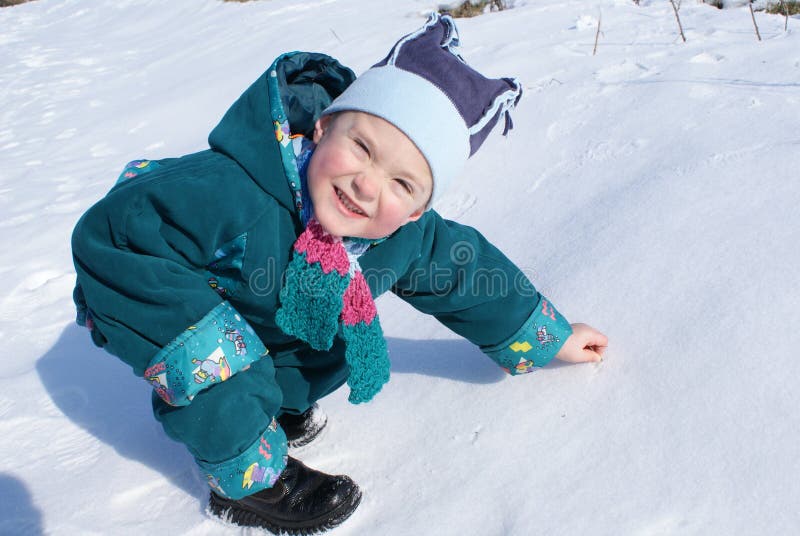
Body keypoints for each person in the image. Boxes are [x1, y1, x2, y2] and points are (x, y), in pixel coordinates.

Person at [71, 13, 607, 535]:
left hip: (254, 311)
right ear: (325, 126)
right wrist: (194, 339)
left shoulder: (402, 235)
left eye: (402, 184)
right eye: (362, 149)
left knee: (329, 338)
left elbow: (466, 274)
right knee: (218, 356)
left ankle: (271, 407)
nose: (366, 186)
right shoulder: (231, 191)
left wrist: (551, 337)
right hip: (140, 277)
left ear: (419, 209)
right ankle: (248, 482)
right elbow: (114, 232)